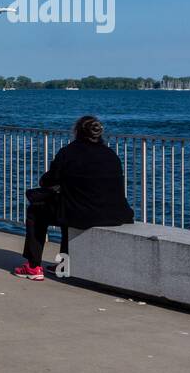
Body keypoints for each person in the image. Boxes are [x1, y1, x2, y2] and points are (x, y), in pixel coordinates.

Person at [14, 115, 135, 281]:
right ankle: (64, 264)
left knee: (36, 211)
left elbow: (47, 181)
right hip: (116, 214)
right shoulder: (110, 154)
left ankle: (33, 267)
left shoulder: (69, 152)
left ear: (77, 132)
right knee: (68, 207)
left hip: (84, 214)